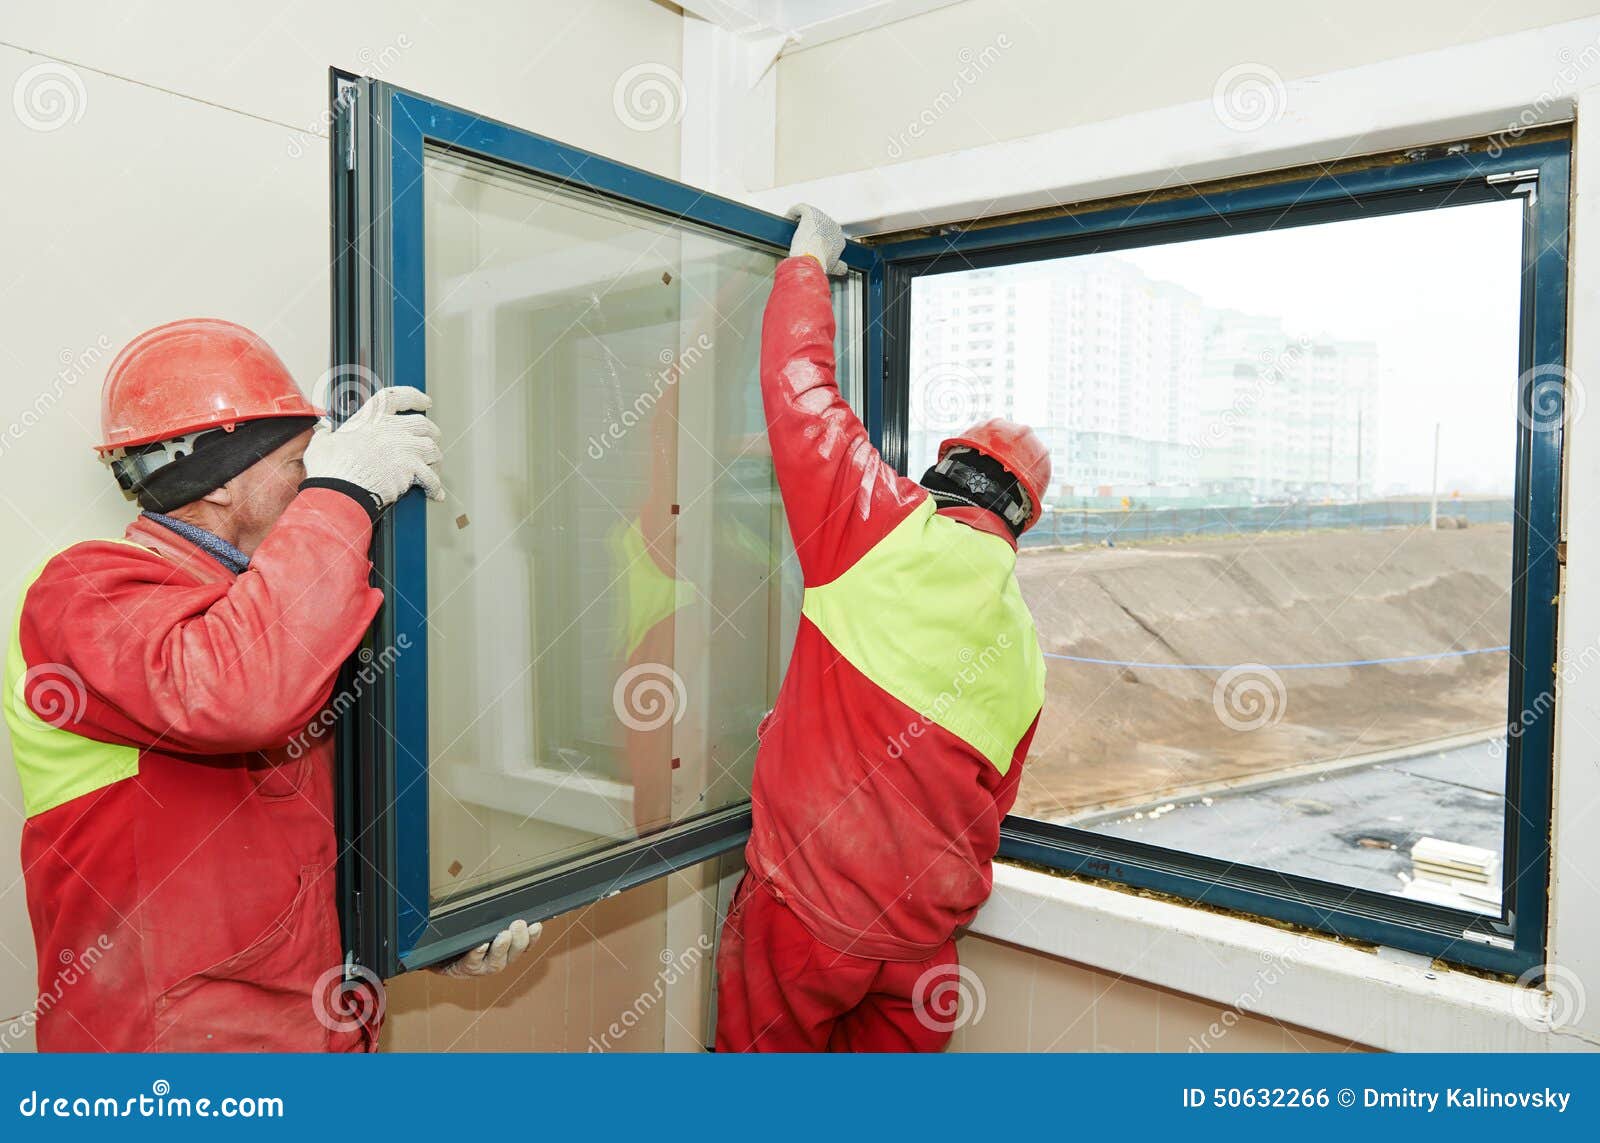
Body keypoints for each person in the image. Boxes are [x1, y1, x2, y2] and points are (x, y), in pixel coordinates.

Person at [4, 318, 535, 1052]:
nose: (309, 477)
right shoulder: (83, 589)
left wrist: (414, 928)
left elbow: (303, 846)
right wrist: (343, 492)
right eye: (297, 461)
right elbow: (232, 693)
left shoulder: (277, 608)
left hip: (309, 1031)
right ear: (220, 480)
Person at [715, 206, 1052, 1052]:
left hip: (808, 913)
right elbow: (987, 800)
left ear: (941, 472)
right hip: (923, 949)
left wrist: (803, 267)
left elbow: (801, 395)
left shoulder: (880, 523)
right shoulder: (1025, 650)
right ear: (1017, 522)